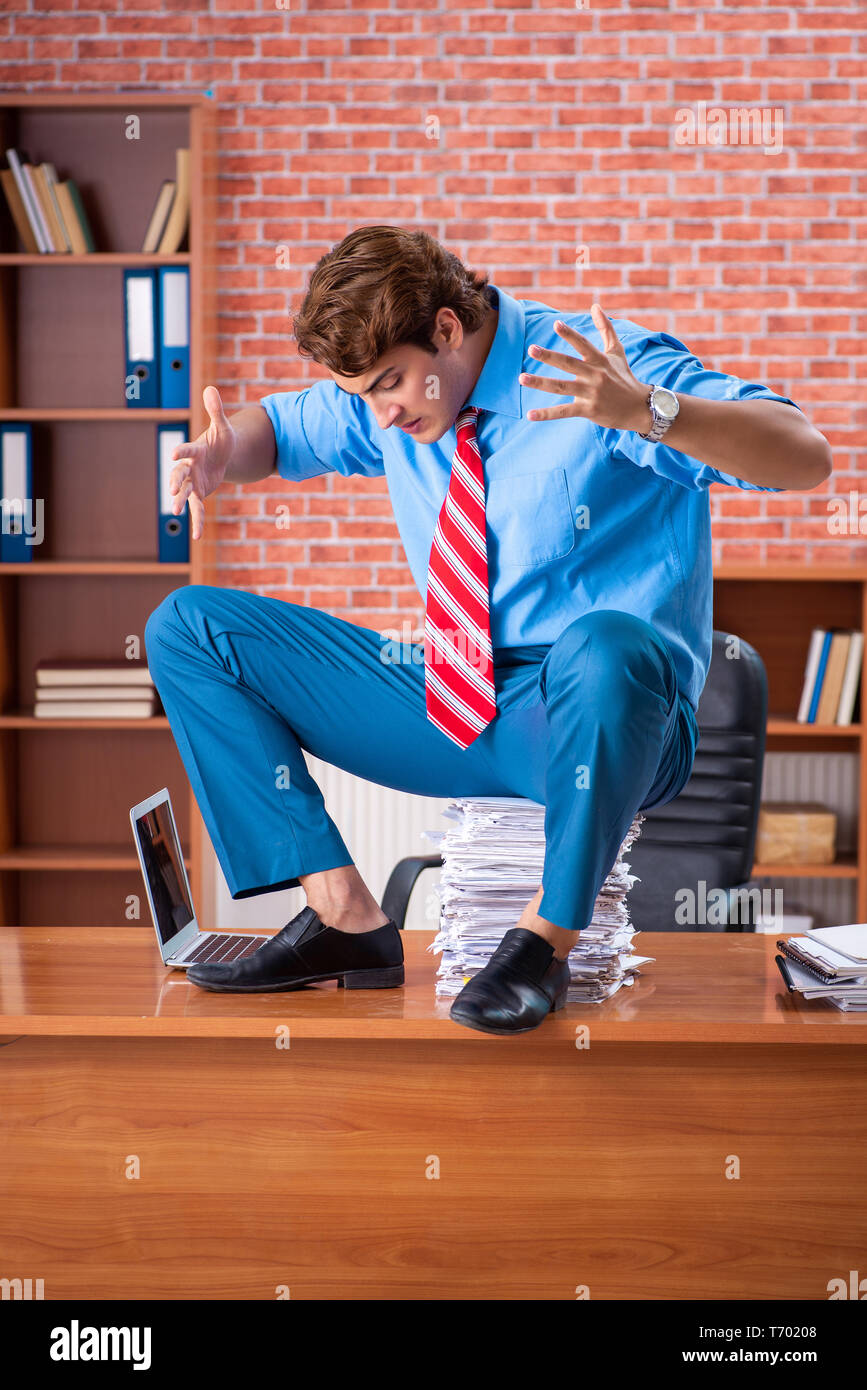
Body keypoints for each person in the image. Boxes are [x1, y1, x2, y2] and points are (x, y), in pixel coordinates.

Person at [143, 224, 832, 1036]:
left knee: (605, 643)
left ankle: (543, 942)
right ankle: (346, 921)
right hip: (459, 700)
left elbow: (804, 456)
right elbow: (282, 431)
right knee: (189, 626)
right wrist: (228, 454)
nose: (380, 414)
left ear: (445, 328)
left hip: (605, 714)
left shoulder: (595, 367)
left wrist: (645, 412)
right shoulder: (389, 405)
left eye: (390, 384)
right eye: (361, 392)